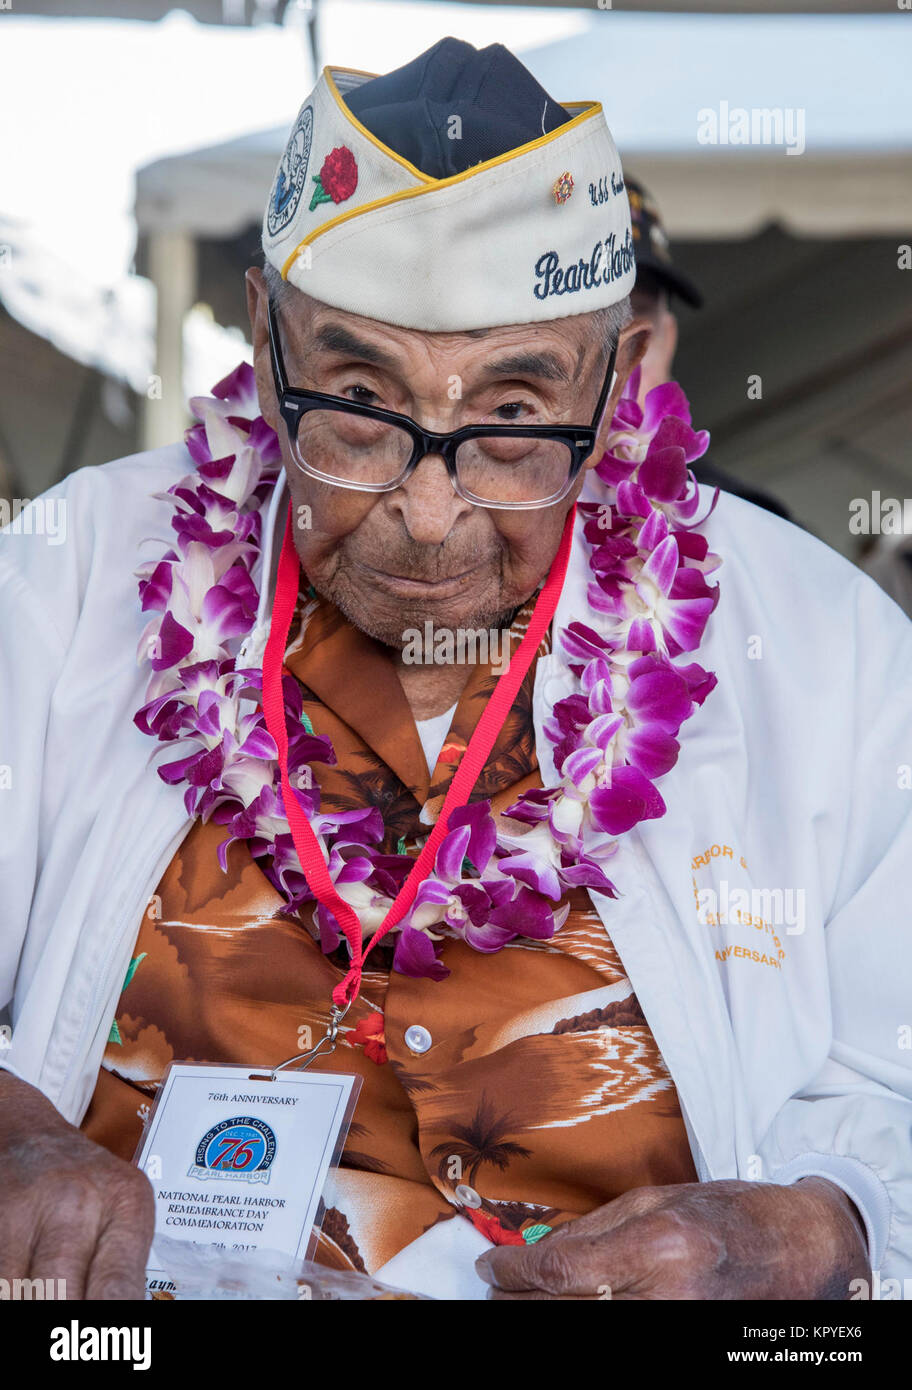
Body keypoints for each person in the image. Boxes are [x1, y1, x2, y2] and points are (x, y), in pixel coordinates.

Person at [1, 36, 909, 1302]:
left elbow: (897, 1081)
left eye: (514, 418)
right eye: (361, 400)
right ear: (267, 339)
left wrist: (815, 1231)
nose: (428, 513)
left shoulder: (826, 646)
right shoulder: (65, 578)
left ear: (615, 373)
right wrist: (17, 1139)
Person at [626, 174, 791, 520]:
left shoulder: (748, 520)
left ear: (667, 340)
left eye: (636, 329)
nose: (616, 363)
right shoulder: (496, 514)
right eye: (593, 328)